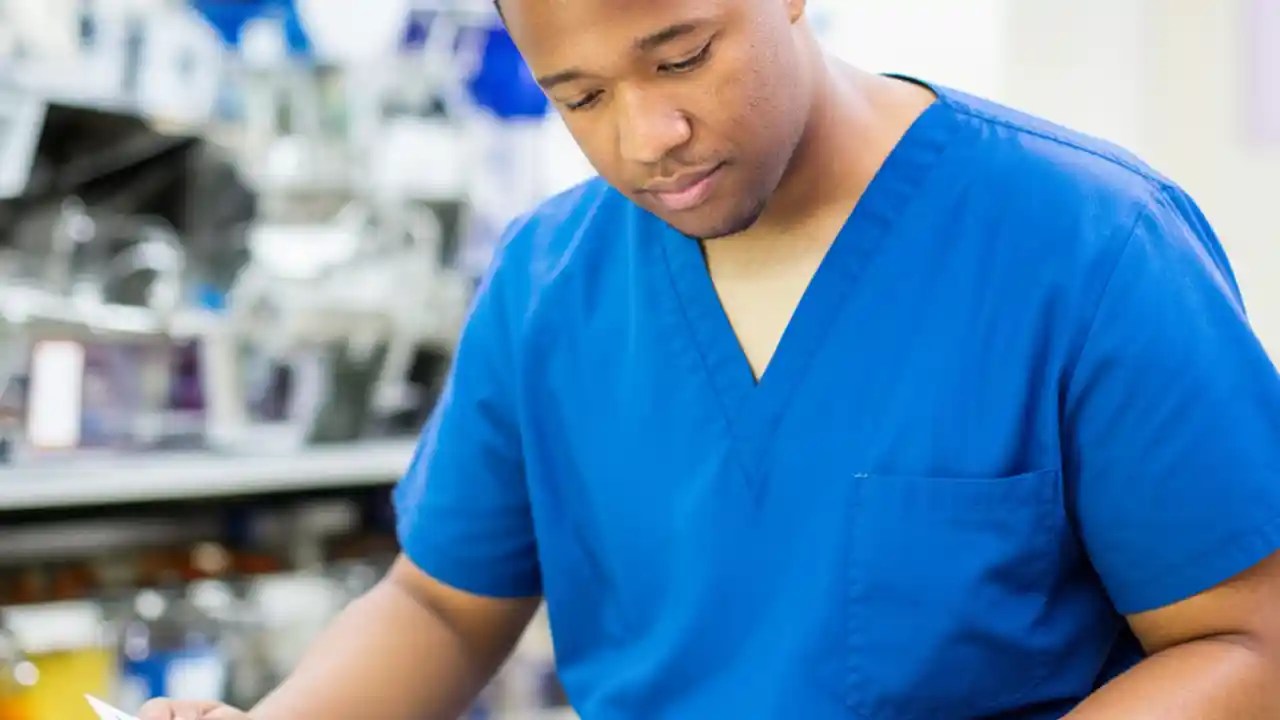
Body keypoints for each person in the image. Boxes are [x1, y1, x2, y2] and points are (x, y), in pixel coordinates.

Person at [142, 1, 1280, 718]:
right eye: (576, 98)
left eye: (680, 58)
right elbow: (441, 605)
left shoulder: (1080, 242)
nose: (645, 139)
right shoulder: (548, 280)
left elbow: (1246, 641)